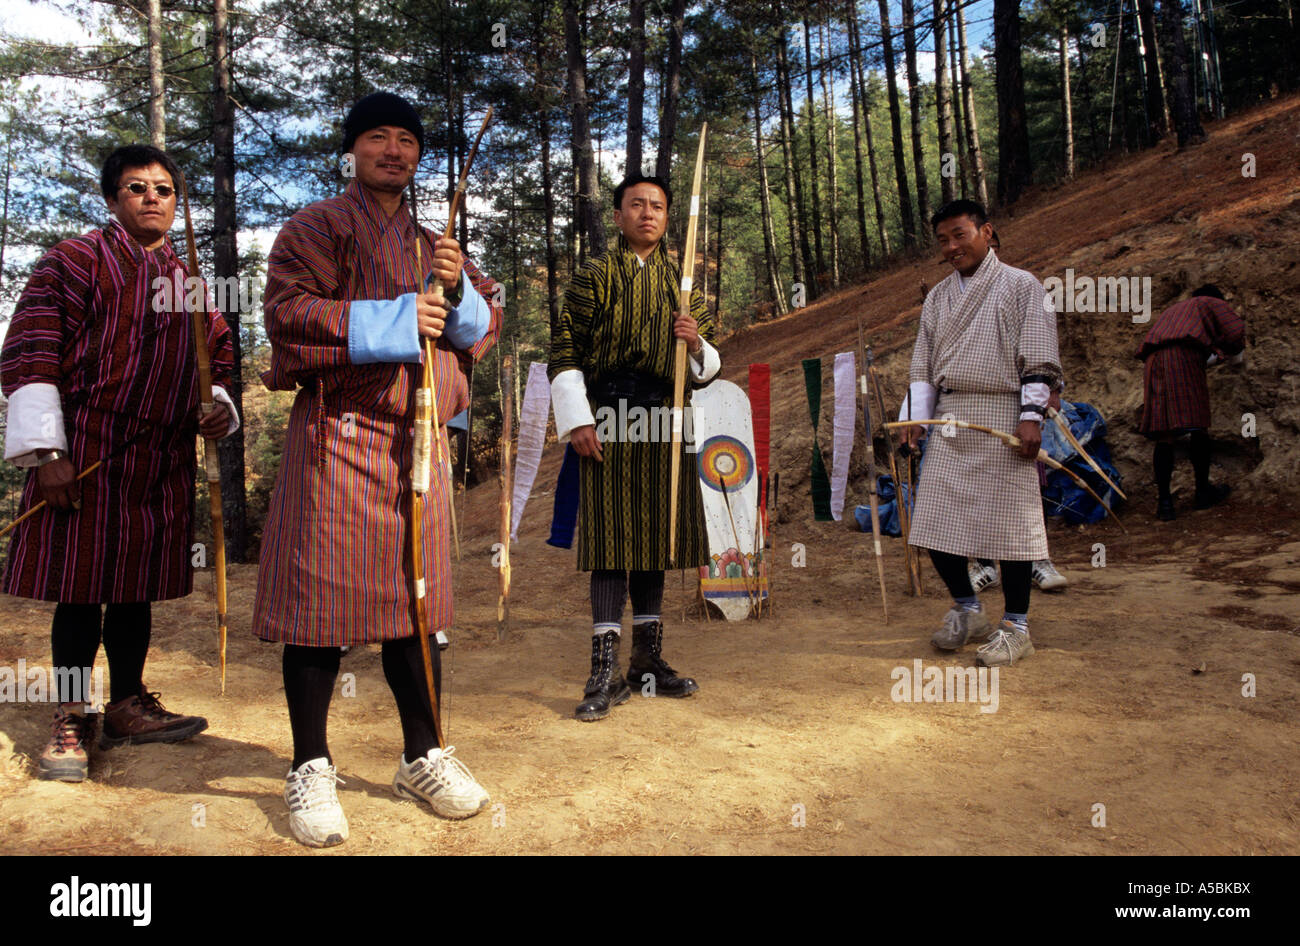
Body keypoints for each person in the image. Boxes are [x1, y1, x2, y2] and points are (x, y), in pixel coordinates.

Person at [254, 92, 502, 847]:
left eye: (406, 140)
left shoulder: (437, 242)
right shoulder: (315, 228)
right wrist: (398, 317)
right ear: (353, 150)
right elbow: (288, 313)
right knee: (318, 611)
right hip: (337, 434)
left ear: (419, 155)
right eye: (377, 138)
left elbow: (481, 325)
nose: (394, 150)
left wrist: (455, 294)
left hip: (416, 439)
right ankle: (310, 763)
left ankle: (422, 753)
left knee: (416, 604)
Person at [1, 144, 237, 782]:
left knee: (134, 589)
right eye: (137, 188)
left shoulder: (190, 283)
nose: (153, 198)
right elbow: (31, 351)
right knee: (80, 590)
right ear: (112, 199)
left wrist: (214, 406)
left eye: (164, 188)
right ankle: (73, 717)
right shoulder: (72, 261)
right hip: (83, 450)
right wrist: (48, 453)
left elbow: (215, 360)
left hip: (158, 458)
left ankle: (127, 703)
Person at [549, 173, 721, 721]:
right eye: (636, 204)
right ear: (619, 215)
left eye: (658, 206)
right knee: (610, 541)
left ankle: (646, 664)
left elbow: (708, 369)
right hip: (609, 414)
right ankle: (604, 672)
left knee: (656, 536)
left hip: (669, 417)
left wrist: (695, 342)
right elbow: (565, 350)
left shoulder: (684, 281)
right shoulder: (594, 277)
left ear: (668, 218)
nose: (648, 213)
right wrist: (579, 420)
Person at [898, 199, 1062, 667]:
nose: (951, 247)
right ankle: (968, 610)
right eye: (943, 240)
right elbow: (923, 364)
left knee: (1012, 528)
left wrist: (1031, 416)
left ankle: (1016, 626)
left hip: (1003, 414)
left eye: (959, 234)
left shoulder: (1021, 286)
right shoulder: (938, 296)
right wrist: (916, 420)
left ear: (986, 231)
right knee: (933, 522)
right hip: (950, 418)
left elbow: (1038, 355)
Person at [1137, 285, 1244, 520]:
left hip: (1153, 361)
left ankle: (1164, 504)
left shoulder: (1174, 310)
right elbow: (1235, 329)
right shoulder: (1210, 301)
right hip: (1182, 357)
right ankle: (1203, 493)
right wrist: (1236, 352)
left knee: (1164, 432)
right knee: (1197, 424)